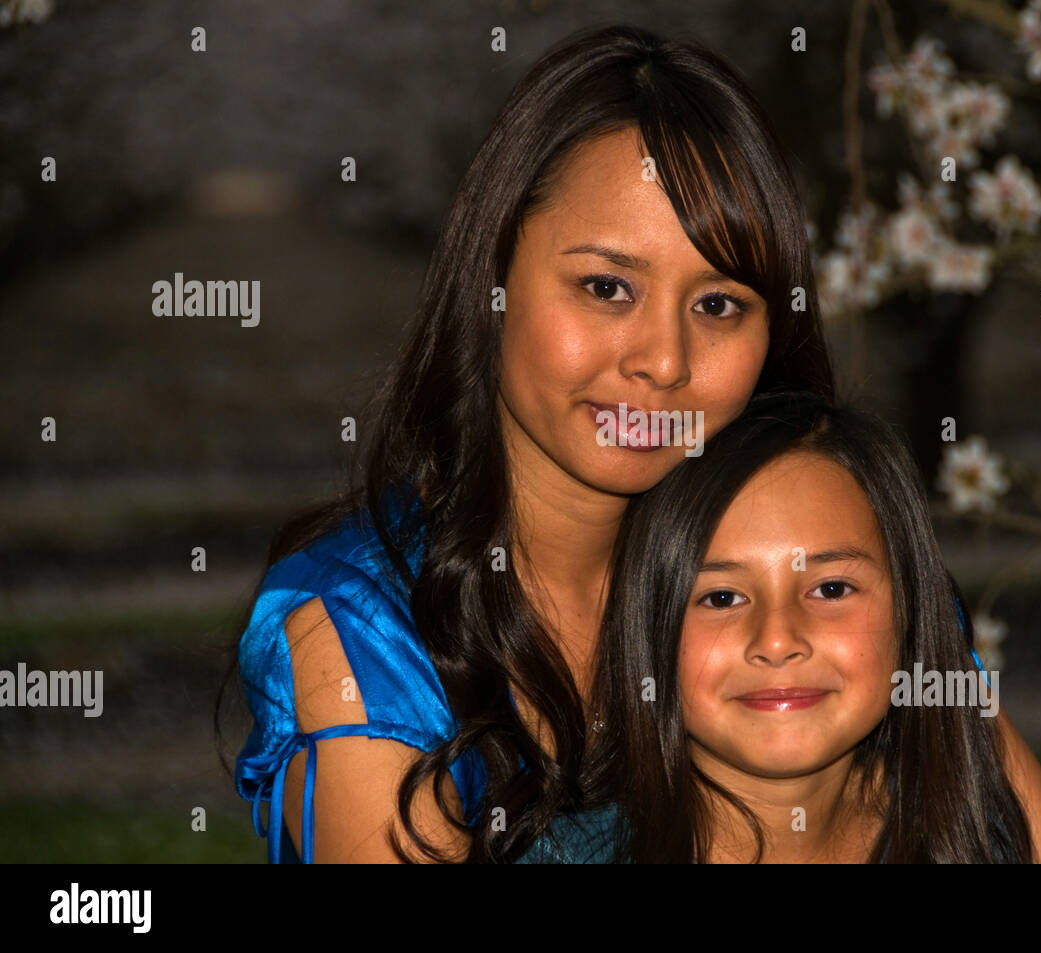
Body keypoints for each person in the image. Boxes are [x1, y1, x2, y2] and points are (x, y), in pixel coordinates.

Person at [216, 22, 835, 863]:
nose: (662, 360)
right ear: (494, 278)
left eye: (719, 304)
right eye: (607, 286)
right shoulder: (365, 622)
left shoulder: (828, 570)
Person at [586, 390, 1041, 862]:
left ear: (912, 608)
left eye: (830, 590)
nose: (777, 641)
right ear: (645, 625)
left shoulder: (970, 836)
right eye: (721, 597)